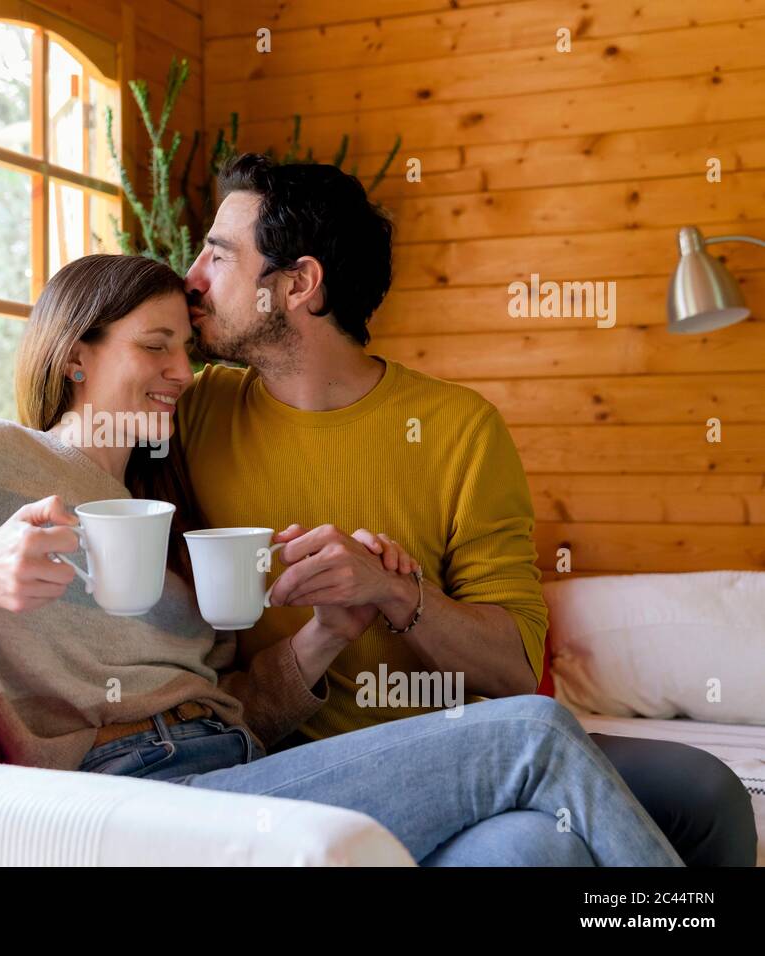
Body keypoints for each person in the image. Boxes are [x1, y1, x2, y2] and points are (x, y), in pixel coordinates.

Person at [0, 252, 681, 866]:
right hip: (138, 801)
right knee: (534, 729)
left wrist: (328, 635)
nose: (184, 374)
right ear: (74, 355)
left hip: (235, 771)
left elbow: (241, 709)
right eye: (156, 346)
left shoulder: (167, 515)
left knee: (531, 851)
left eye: (188, 348)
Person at [171, 152, 755, 866]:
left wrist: (392, 590)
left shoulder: (459, 429)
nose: (190, 278)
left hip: (448, 761)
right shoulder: (190, 413)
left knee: (554, 843)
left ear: (298, 284)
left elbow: (513, 670)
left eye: (217, 255)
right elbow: (66, 434)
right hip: (284, 776)